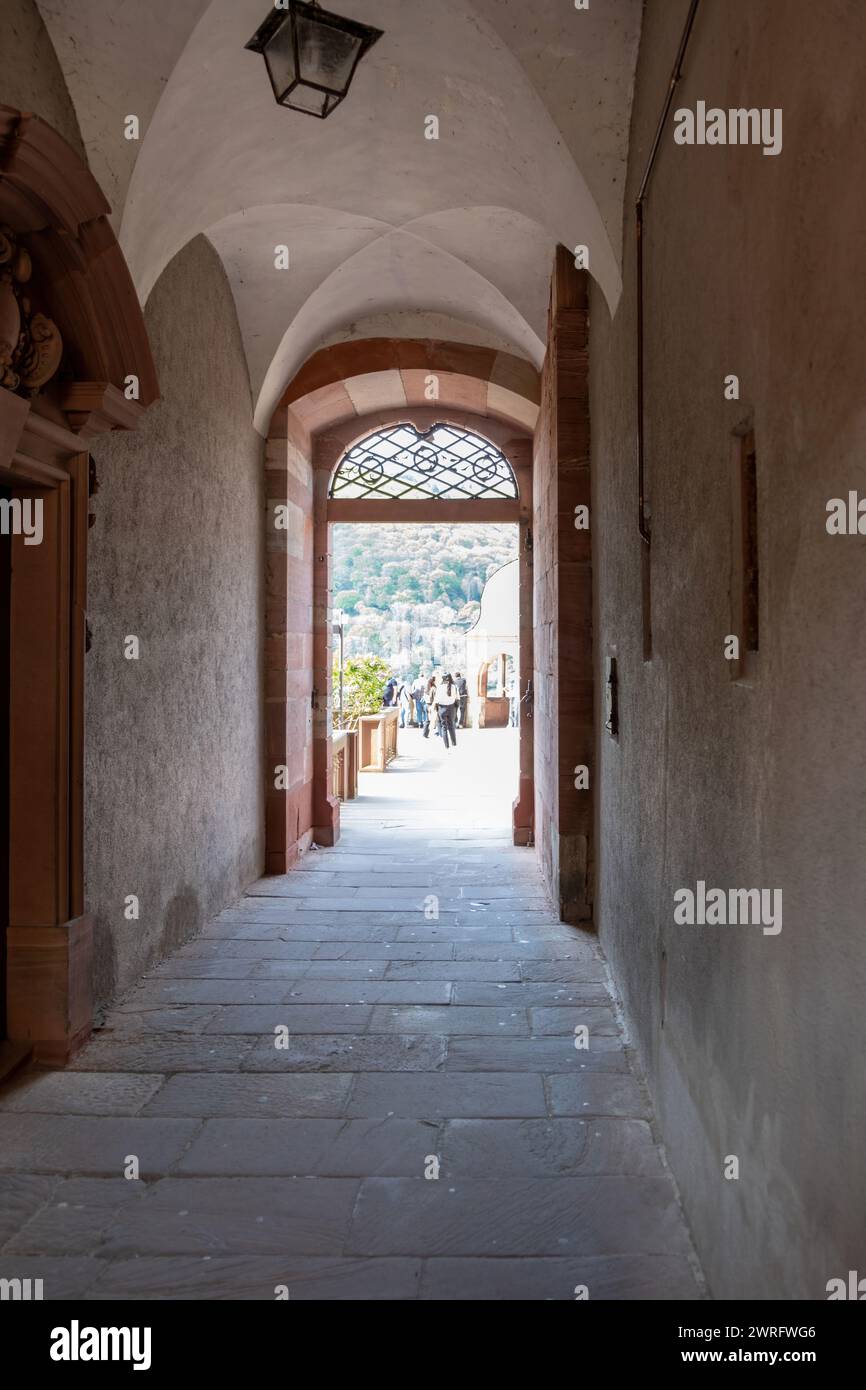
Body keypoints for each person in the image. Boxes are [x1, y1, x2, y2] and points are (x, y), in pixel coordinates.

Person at [435, 672, 459, 750]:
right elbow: (456, 698)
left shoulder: (439, 687)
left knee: (444, 727)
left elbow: (437, 700)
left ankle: (447, 746)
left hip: (442, 708)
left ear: (443, 678)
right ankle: (454, 743)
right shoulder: (453, 687)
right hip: (451, 708)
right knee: (451, 726)